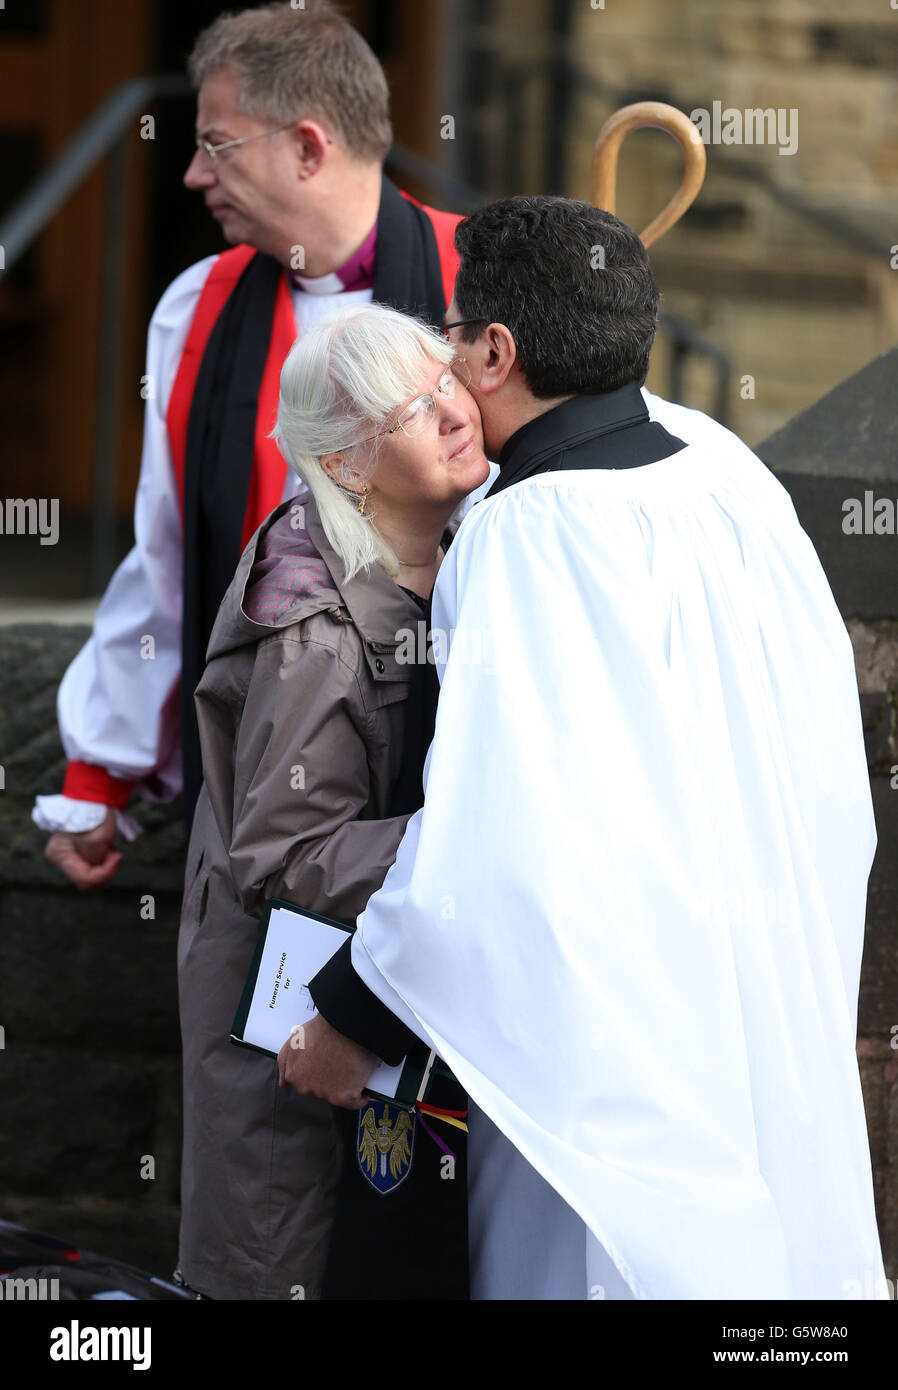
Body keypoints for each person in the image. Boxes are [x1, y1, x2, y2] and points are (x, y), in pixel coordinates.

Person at [280, 195, 889, 1300]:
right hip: (765, 996)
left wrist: (349, 1020)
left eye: (456, 338)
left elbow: (501, 844)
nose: (448, 362)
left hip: (613, 1060)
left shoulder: (529, 536)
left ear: (497, 350)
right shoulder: (725, 472)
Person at [33, 0, 464, 874]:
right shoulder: (197, 308)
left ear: (308, 146)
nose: (193, 174)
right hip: (248, 748)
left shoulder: (481, 287)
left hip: (444, 747)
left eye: (216, 145)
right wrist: (99, 773)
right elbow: (167, 552)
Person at [177, 303, 491, 1301]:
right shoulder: (312, 630)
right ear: (348, 466)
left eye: (446, 380)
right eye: (410, 407)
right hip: (284, 1042)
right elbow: (284, 852)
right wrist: (475, 842)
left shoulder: (440, 550)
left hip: (356, 1017)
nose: (451, 410)